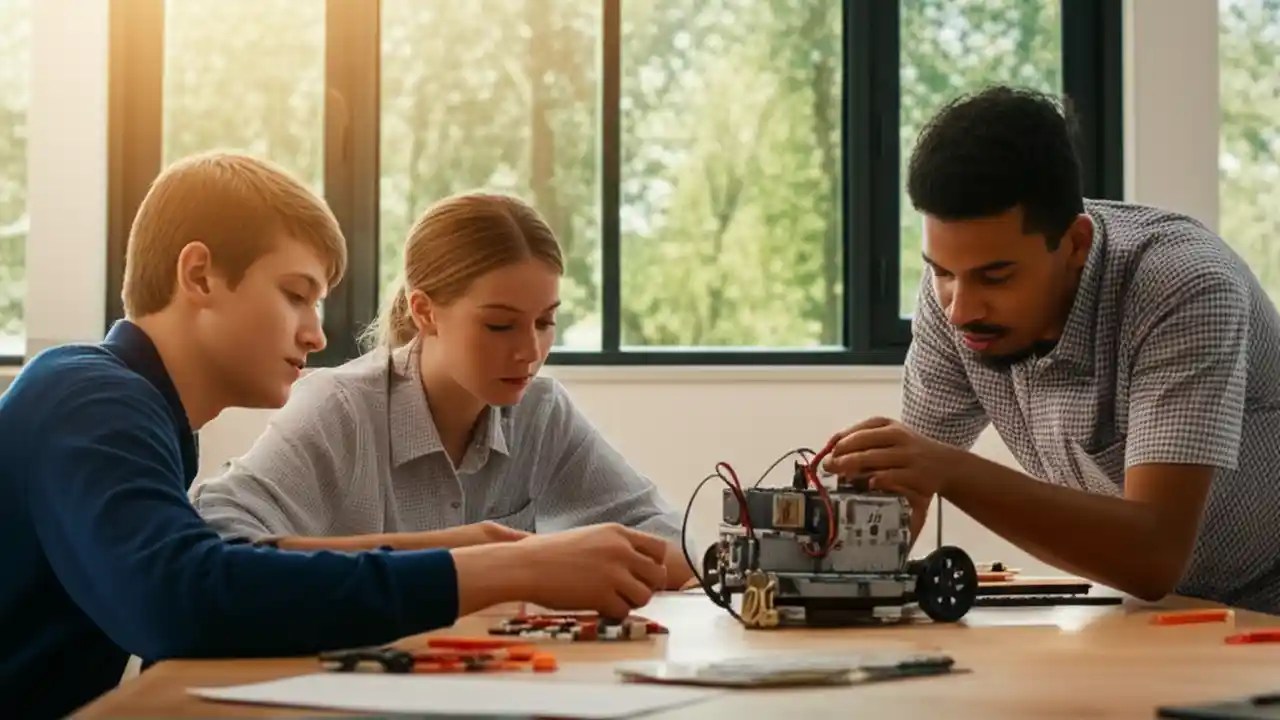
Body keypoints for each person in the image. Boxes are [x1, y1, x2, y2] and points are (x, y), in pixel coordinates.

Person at [0, 152, 670, 720]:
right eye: (296, 295)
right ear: (199, 275)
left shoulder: (134, 410)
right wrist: (505, 567)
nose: (317, 334)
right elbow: (179, 603)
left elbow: (201, 574)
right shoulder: (89, 396)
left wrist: (474, 548)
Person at [823, 85, 1280, 613]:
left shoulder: (1183, 286)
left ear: (1075, 244)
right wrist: (815, 579)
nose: (960, 310)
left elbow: (1153, 554)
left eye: (996, 276)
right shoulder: (955, 301)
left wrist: (948, 470)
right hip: (1166, 611)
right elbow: (906, 490)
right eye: (942, 271)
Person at [190, 192, 696, 590]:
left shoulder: (542, 413)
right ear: (425, 311)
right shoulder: (340, 409)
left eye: (545, 322)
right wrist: (469, 554)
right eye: (499, 325)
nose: (529, 351)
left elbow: (671, 540)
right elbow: (217, 537)